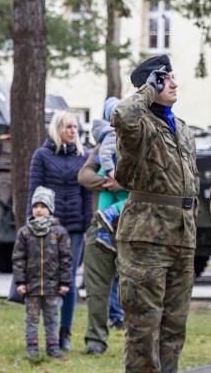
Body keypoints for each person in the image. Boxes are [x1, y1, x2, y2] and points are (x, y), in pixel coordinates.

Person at [110, 54, 199, 373]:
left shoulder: (183, 129)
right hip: (146, 240)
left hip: (182, 239)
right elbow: (121, 114)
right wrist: (148, 89)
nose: (173, 83)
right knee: (143, 333)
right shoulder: (138, 123)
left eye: (173, 76)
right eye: (164, 78)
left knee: (174, 332)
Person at [28, 108, 90, 352]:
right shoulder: (41, 156)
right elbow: (33, 192)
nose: (73, 131)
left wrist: (87, 226)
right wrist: (29, 224)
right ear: (58, 129)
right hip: (47, 228)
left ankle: (65, 332)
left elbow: (86, 196)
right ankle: (48, 333)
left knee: (69, 280)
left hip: (74, 228)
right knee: (47, 281)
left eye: (75, 127)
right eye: (68, 127)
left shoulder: (82, 157)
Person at [12, 186, 72, 361]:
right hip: (31, 287)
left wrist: (65, 283)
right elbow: (18, 259)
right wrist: (20, 282)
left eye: (43, 206)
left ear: (50, 209)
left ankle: (53, 348)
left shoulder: (59, 233)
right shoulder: (24, 232)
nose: (38, 210)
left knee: (52, 318)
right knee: (31, 318)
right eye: (35, 206)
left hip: (53, 287)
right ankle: (32, 348)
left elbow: (66, 260)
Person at [78, 130, 123, 355]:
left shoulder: (147, 141)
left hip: (135, 227)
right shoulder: (106, 142)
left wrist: (122, 183)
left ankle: (139, 343)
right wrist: (107, 181)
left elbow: (155, 182)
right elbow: (84, 175)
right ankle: (95, 340)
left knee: (138, 290)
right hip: (101, 226)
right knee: (96, 287)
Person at [92, 97, 128, 251]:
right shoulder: (114, 133)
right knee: (130, 199)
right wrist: (113, 173)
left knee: (105, 197)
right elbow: (105, 154)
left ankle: (102, 231)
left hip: (107, 170)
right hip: (112, 170)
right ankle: (110, 213)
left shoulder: (110, 133)